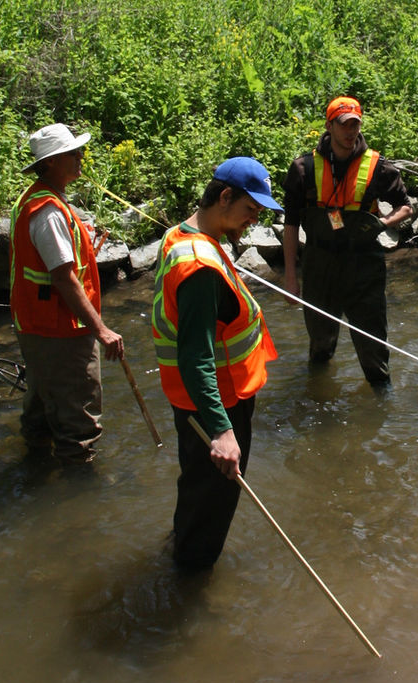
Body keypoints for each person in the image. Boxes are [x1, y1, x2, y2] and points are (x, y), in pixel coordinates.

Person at [151, 157, 282, 570]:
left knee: (196, 489)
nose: (252, 220)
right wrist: (222, 432)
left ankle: (181, 546)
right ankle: (189, 587)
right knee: (213, 502)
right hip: (217, 405)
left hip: (198, 403)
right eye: (249, 210)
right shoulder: (199, 267)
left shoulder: (182, 235)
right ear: (225, 197)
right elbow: (196, 356)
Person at [9, 123, 124, 464]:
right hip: (60, 330)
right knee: (79, 423)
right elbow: (62, 277)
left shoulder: (37, 199)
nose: (80, 158)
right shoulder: (47, 212)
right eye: (72, 153)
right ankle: (80, 491)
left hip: (37, 325)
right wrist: (101, 330)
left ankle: (36, 469)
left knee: (42, 410)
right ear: (51, 162)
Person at [281, 96, 413, 387]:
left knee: (373, 346)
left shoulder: (378, 166)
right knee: (320, 345)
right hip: (319, 265)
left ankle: (381, 400)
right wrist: (291, 279)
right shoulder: (303, 168)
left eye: (355, 124)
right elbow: (290, 226)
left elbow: (405, 206)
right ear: (329, 126)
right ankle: (318, 391)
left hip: (364, 266)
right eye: (343, 125)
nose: (350, 131)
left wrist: (385, 223)